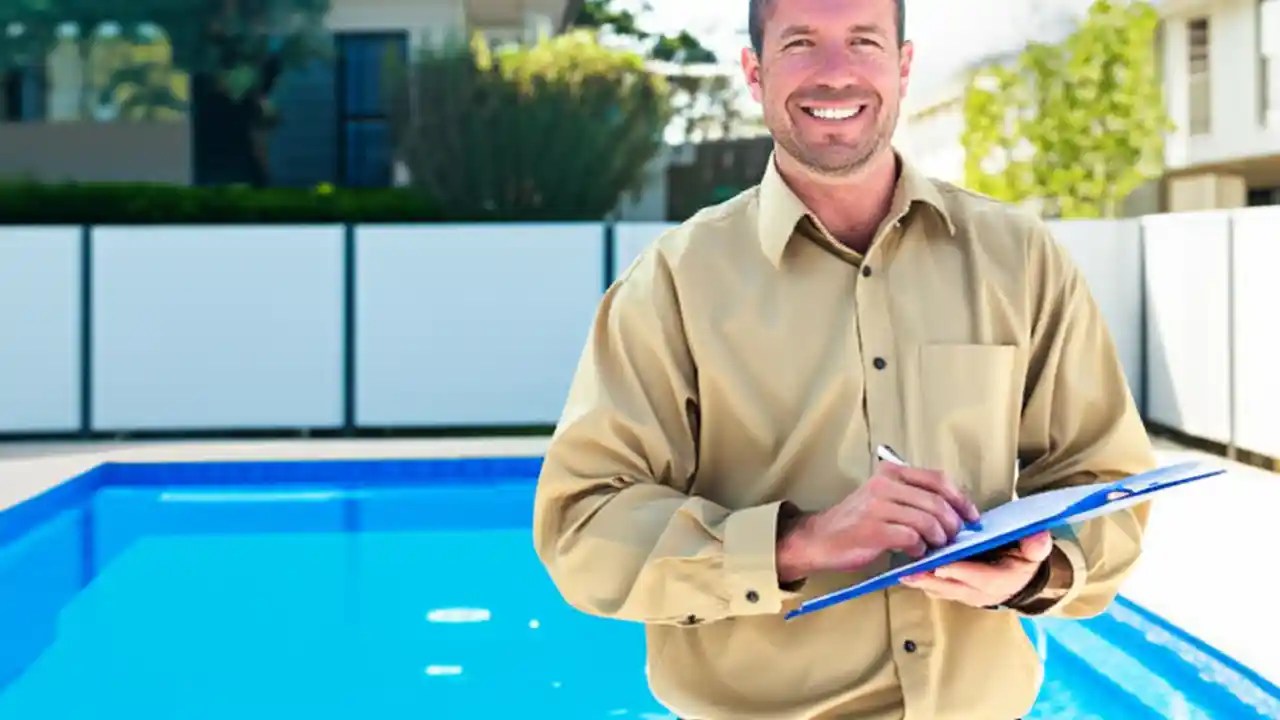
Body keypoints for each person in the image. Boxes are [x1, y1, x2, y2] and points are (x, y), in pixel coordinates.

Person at [530, 0, 1156, 717]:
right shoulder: (673, 284)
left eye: (863, 41)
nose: (836, 74)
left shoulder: (1020, 260)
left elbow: (1107, 480)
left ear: (904, 65)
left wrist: (1034, 570)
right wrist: (796, 543)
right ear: (753, 71)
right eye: (801, 44)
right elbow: (584, 529)